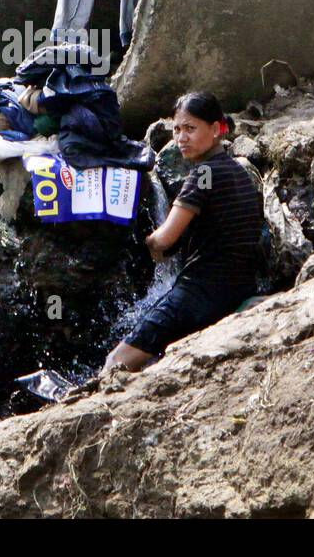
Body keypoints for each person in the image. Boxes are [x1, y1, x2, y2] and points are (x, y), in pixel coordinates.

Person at [105, 91, 262, 372]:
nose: (181, 138)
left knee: (116, 362)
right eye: (177, 129)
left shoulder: (202, 174)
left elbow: (164, 239)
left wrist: (147, 245)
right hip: (240, 289)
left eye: (190, 128)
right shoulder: (239, 172)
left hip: (199, 294)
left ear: (215, 129)